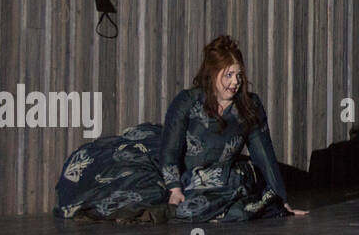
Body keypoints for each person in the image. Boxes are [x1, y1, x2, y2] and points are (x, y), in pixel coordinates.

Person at [53, 34, 308, 222]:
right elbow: (171, 148)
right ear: (212, 74)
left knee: (236, 200)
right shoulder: (188, 101)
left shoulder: (249, 106)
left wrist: (281, 200)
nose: (235, 82)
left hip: (216, 174)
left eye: (238, 75)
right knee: (136, 190)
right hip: (172, 165)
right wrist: (174, 188)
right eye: (228, 75)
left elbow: (264, 154)